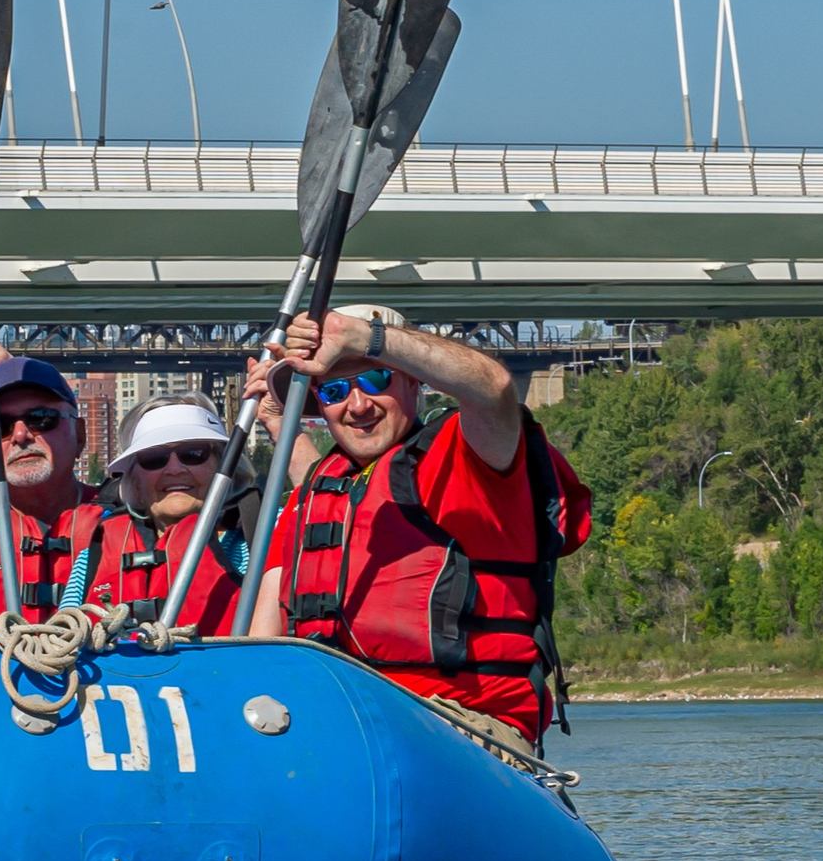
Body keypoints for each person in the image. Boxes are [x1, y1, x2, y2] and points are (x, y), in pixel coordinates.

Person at [247, 304, 593, 745]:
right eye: (334, 391)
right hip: (342, 724)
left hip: (459, 728)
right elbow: (261, 647)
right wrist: (277, 420)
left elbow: (494, 389)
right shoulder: (315, 495)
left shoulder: (464, 458)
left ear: (414, 380)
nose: (358, 405)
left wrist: (368, 339)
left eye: (376, 379)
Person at [0, 352, 173, 635]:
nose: (21, 435)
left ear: (80, 435)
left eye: (41, 418)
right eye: (0, 426)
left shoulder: (146, 526)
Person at [101, 399, 247, 635]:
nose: (175, 469)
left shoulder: (261, 538)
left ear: (223, 466)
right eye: (154, 458)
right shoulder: (94, 552)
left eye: (193, 453)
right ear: (135, 480)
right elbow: (66, 632)